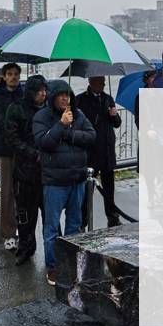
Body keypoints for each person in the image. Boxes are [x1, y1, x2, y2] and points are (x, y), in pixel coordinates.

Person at [33, 79, 96, 286]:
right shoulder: (42, 117)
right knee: (52, 227)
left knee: (74, 226)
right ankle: (53, 267)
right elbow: (44, 143)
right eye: (60, 95)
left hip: (77, 179)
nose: (65, 98)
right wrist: (61, 125)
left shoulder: (78, 114)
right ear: (52, 97)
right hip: (54, 182)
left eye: (67, 95)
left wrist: (68, 133)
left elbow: (91, 136)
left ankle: (70, 264)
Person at [4, 75, 47, 265]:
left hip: (46, 170)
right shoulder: (16, 109)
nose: (43, 94)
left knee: (48, 213)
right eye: (39, 91)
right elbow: (12, 138)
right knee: (25, 214)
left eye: (44, 90)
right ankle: (26, 246)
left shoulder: (48, 109)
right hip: (24, 170)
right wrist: (32, 153)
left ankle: (52, 249)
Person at [76, 76, 123, 227]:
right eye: (100, 82)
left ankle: (112, 217)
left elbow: (117, 123)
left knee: (109, 187)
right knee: (87, 188)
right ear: (91, 82)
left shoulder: (108, 99)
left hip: (107, 150)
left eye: (103, 81)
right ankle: (83, 220)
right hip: (91, 152)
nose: (103, 84)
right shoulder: (80, 100)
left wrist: (114, 115)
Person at [0, 63, 24, 251]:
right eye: (10, 74)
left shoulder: (23, 95)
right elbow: (1, 123)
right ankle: (8, 233)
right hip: (6, 150)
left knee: (24, 191)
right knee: (7, 192)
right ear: (4, 77)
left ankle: (24, 228)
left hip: (23, 150)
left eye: (16, 74)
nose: (13, 77)